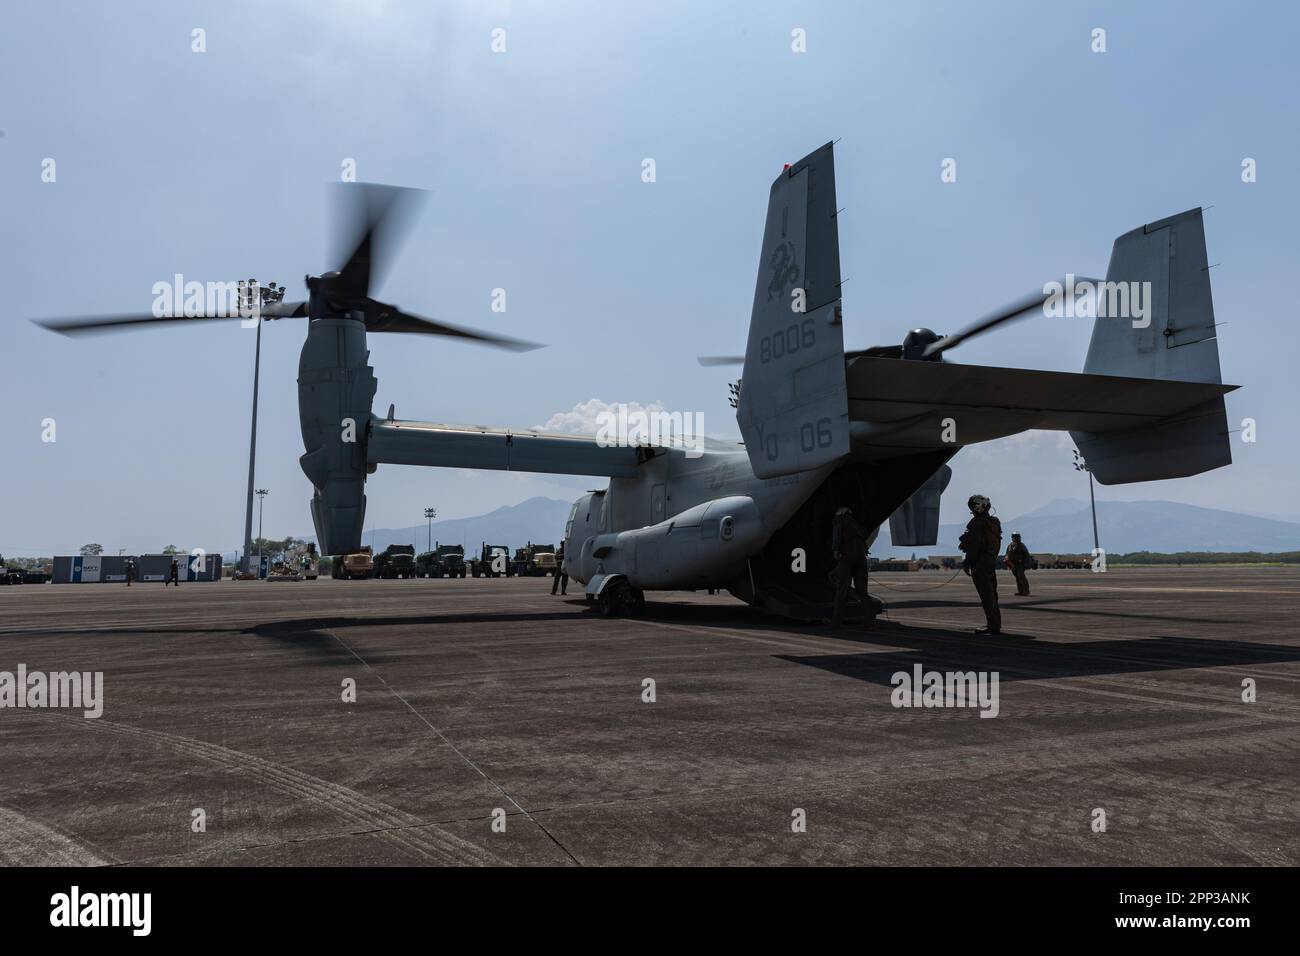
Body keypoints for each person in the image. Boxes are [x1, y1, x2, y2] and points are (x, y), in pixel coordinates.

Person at [958, 494, 1002, 635]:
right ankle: (996, 623)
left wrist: (967, 562)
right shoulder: (994, 522)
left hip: (980, 563)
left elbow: (974, 546)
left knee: (986, 595)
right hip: (991, 561)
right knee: (993, 594)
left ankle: (992, 626)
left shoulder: (976, 523)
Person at [830, 506, 874, 628]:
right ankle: (869, 621)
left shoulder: (839, 520)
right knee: (862, 591)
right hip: (861, 559)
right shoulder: (856, 524)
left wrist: (835, 552)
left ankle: (836, 622)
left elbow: (836, 537)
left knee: (842, 590)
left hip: (847, 557)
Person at [1006, 532, 1031, 596]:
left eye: (1017, 537)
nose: (1016, 538)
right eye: (1014, 537)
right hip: (1012, 564)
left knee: (1021, 577)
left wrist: (1025, 564)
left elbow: (1026, 555)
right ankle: (1020, 591)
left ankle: (1026, 591)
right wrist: (1007, 562)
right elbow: (1007, 554)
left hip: (1020, 564)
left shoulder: (1021, 545)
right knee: (1017, 578)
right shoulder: (1010, 545)